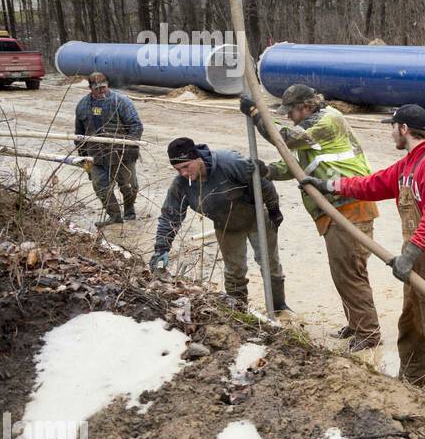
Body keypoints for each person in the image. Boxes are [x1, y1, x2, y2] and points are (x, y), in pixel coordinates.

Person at [301, 104, 425, 399]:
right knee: (412, 326)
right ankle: (411, 387)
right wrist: (329, 185)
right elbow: (372, 184)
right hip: (415, 259)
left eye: (393, 127)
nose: (391, 133)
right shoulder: (409, 165)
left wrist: (412, 253)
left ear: (403, 128)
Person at [240, 85, 382, 350]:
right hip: (337, 210)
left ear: (305, 107)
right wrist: (268, 170)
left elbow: (285, 139)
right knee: (343, 272)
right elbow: (296, 165)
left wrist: (256, 113)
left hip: (348, 207)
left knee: (350, 272)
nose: (291, 117)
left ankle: (368, 333)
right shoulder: (312, 130)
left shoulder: (328, 120)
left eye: (291, 112)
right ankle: (357, 323)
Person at [150, 137, 288, 311]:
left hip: (256, 218)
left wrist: (274, 207)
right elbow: (170, 216)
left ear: (197, 158)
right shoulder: (181, 185)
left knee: (269, 264)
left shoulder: (228, 162)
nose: (184, 173)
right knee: (234, 271)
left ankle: (279, 306)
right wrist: (161, 248)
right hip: (226, 225)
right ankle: (238, 310)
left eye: (186, 166)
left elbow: (260, 180)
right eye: (178, 169)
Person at [74, 72, 142, 226]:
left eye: (103, 87)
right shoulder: (83, 106)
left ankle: (129, 211)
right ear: (90, 88)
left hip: (121, 154)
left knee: (130, 186)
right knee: (101, 187)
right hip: (96, 156)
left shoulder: (121, 102)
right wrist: (83, 158)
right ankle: (115, 215)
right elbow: (79, 135)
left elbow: (136, 126)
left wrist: (129, 145)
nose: (101, 91)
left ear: (108, 85)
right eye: (97, 89)